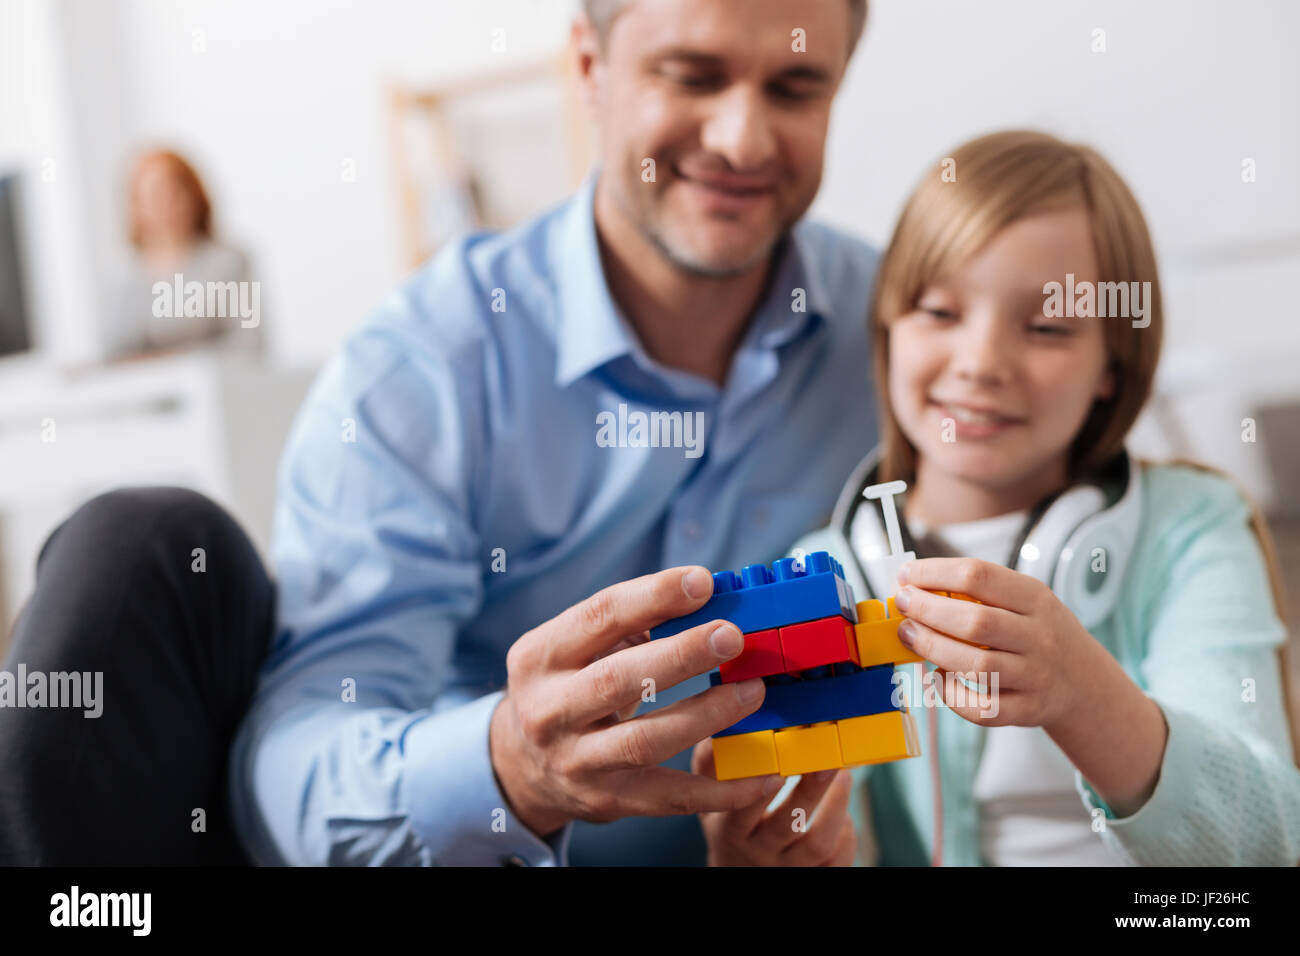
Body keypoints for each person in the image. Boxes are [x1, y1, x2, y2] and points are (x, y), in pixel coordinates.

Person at [0, 0, 872, 866]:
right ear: (589, 67)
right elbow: (289, 769)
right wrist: (510, 768)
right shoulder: (421, 367)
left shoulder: (905, 331)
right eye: (691, 76)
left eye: (796, 87)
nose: (742, 140)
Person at [697, 130, 1300, 865]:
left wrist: (1082, 690)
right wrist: (763, 850)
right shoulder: (823, 572)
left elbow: (1267, 842)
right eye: (939, 312)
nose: (981, 364)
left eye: (1046, 327)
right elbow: (812, 823)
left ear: (1112, 367)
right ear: (888, 330)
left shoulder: (1189, 529)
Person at [110, 148, 261, 359]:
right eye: (151, 197)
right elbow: (116, 353)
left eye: (171, 193)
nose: (163, 207)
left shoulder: (230, 263)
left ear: (193, 196)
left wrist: (180, 360)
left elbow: (249, 343)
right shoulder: (125, 278)